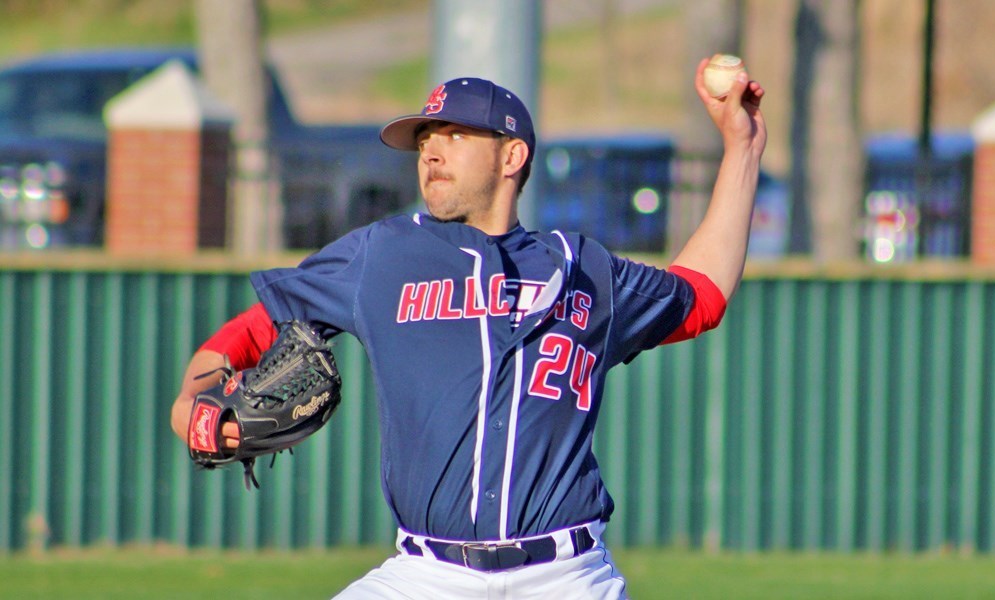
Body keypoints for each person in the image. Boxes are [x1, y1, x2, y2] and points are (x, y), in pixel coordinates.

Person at [171, 57, 766, 599]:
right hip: (426, 576)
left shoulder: (584, 269)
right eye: (425, 139)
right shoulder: (383, 254)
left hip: (565, 578)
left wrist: (743, 147)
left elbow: (703, 296)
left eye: (455, 135)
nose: (431, 152)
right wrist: (194, 404)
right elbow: (250, 331)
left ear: (512, 157)